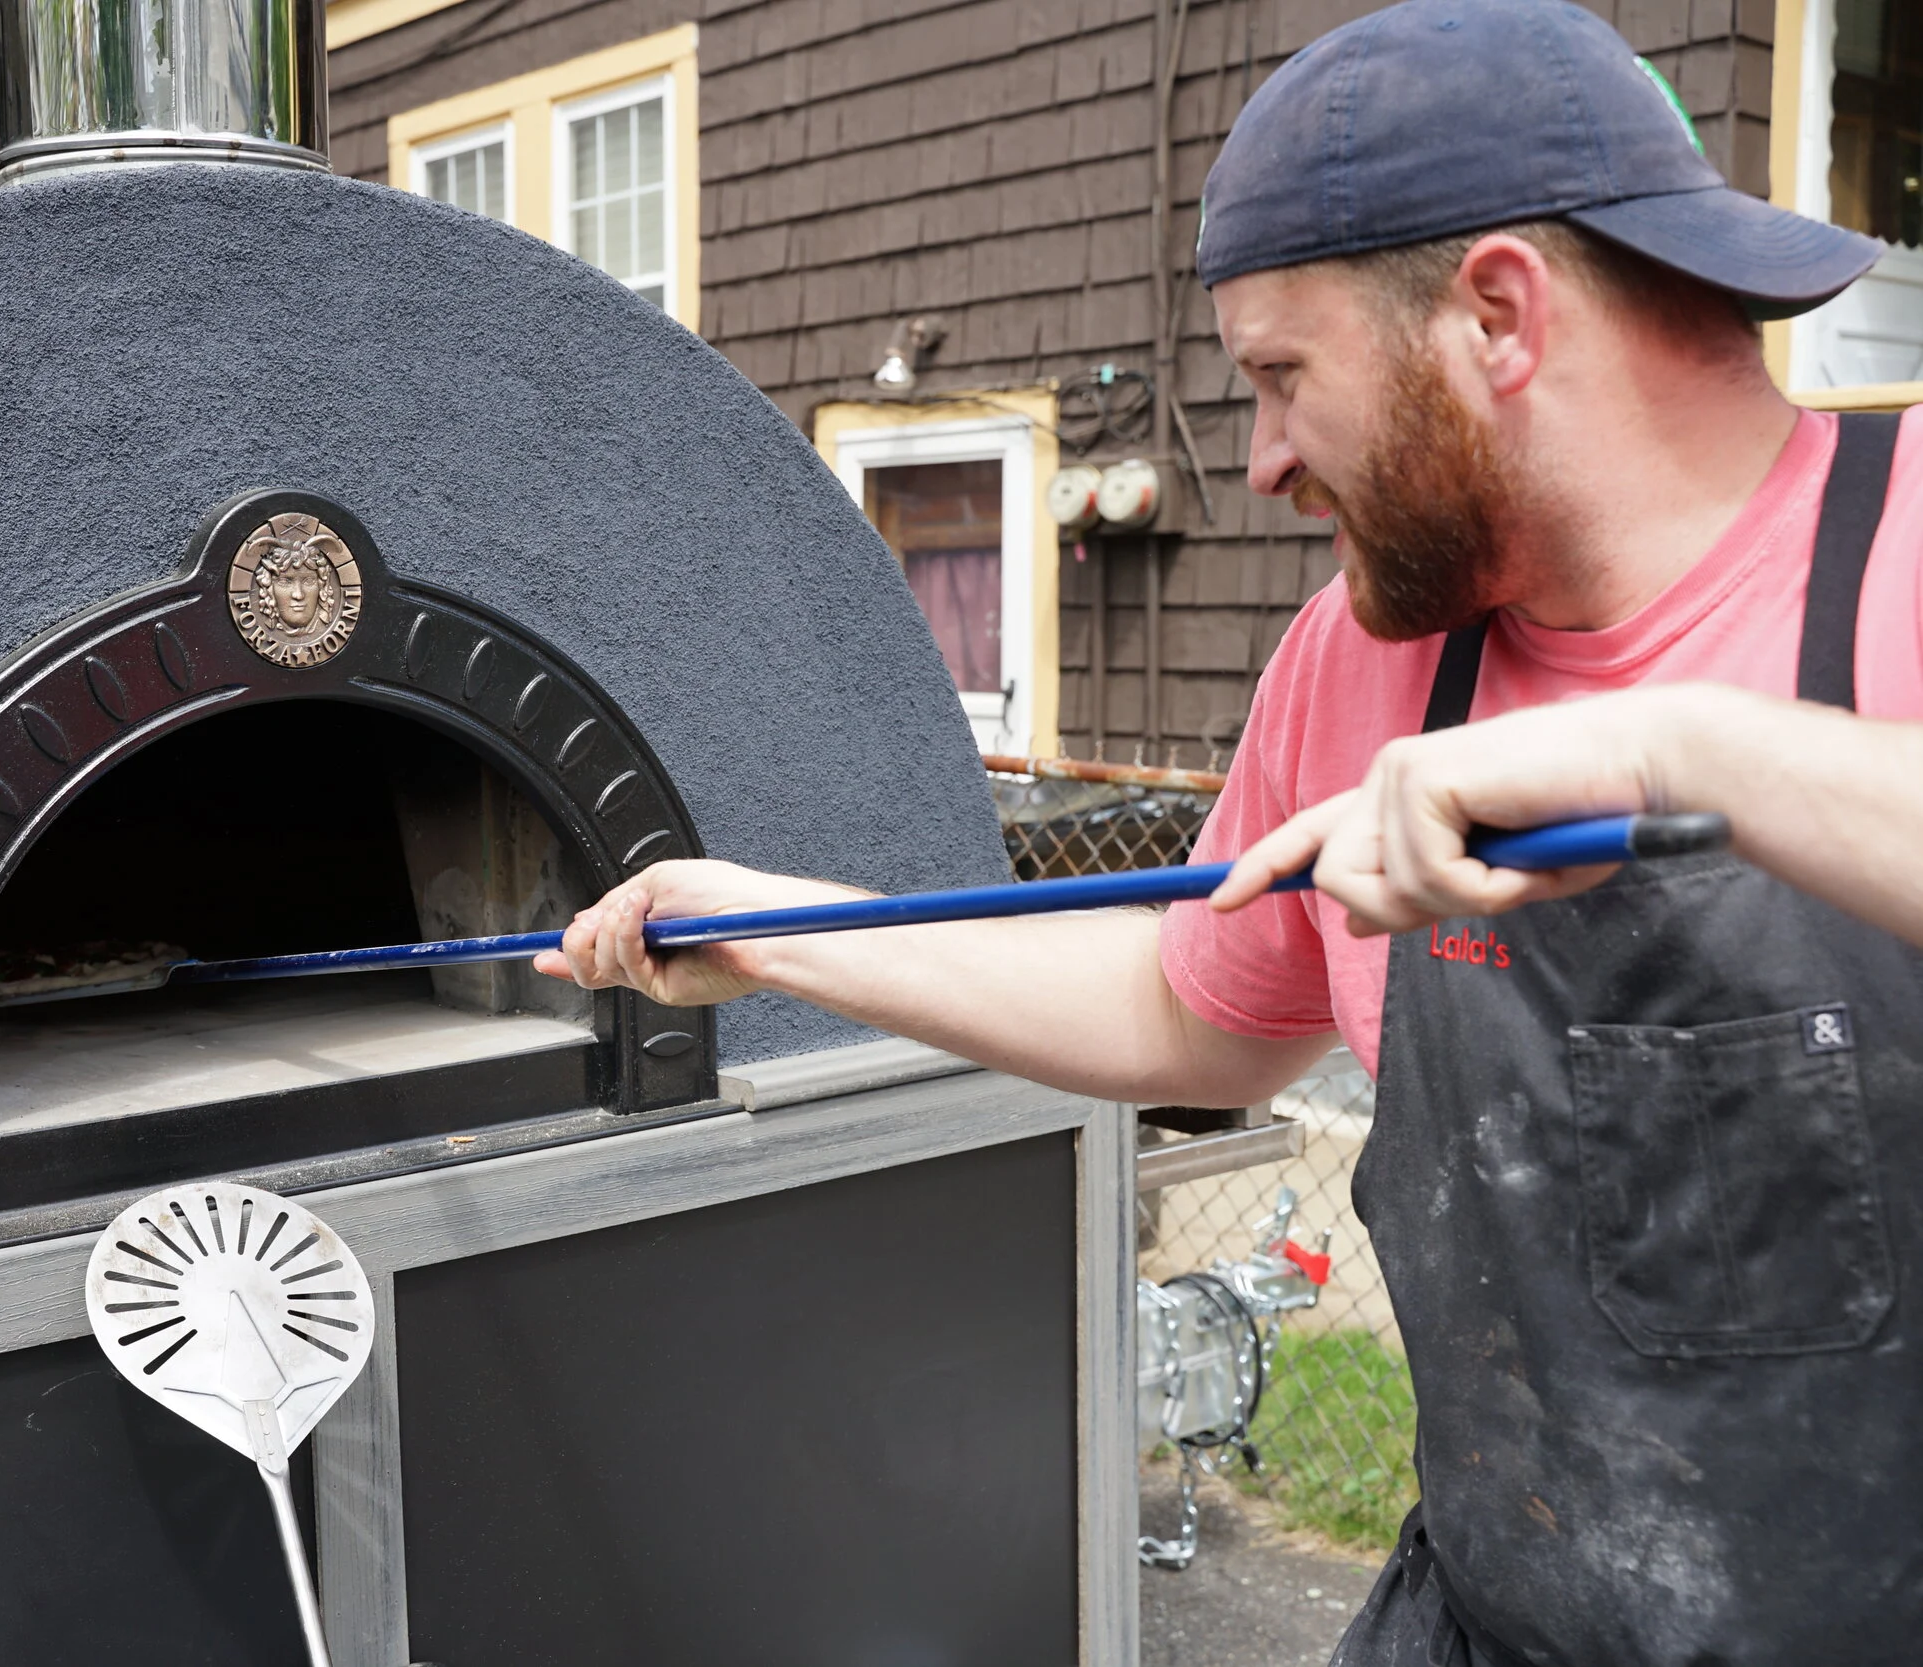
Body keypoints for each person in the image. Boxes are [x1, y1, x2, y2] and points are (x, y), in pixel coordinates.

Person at [536, 2, 1922, 1663]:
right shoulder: (1363, 661)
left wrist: (1671, 746)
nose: (1260, 459)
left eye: (1280, 377)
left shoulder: (1903, 552)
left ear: (1497, 314)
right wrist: (773, 928)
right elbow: (1186, 1009)